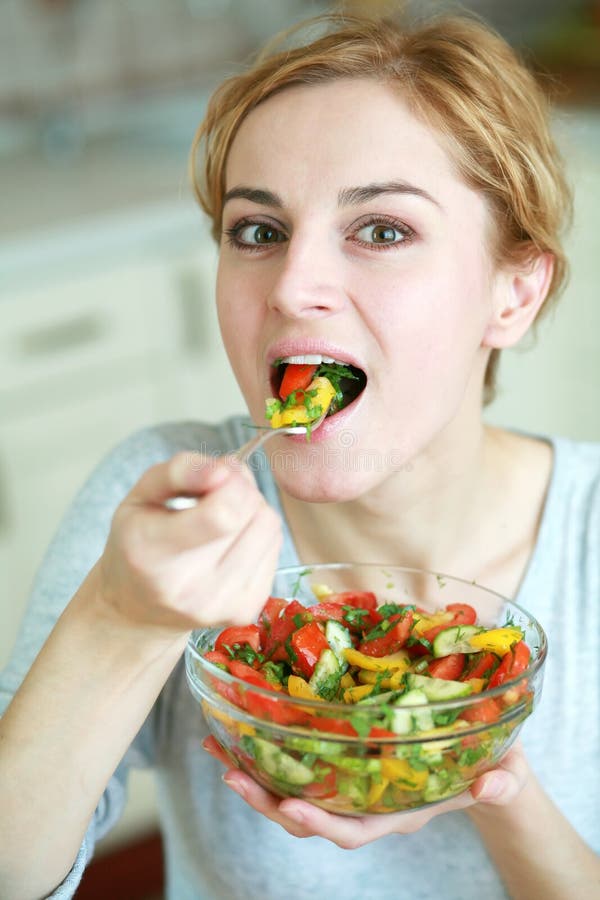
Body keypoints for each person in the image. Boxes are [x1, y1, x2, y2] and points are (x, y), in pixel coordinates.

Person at [0, 10, 598, 900]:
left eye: (383, 230)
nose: (292, 286)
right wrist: (119, 619)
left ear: (514, 291)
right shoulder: (157, 506)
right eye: (258, 232)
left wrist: (484, 774)